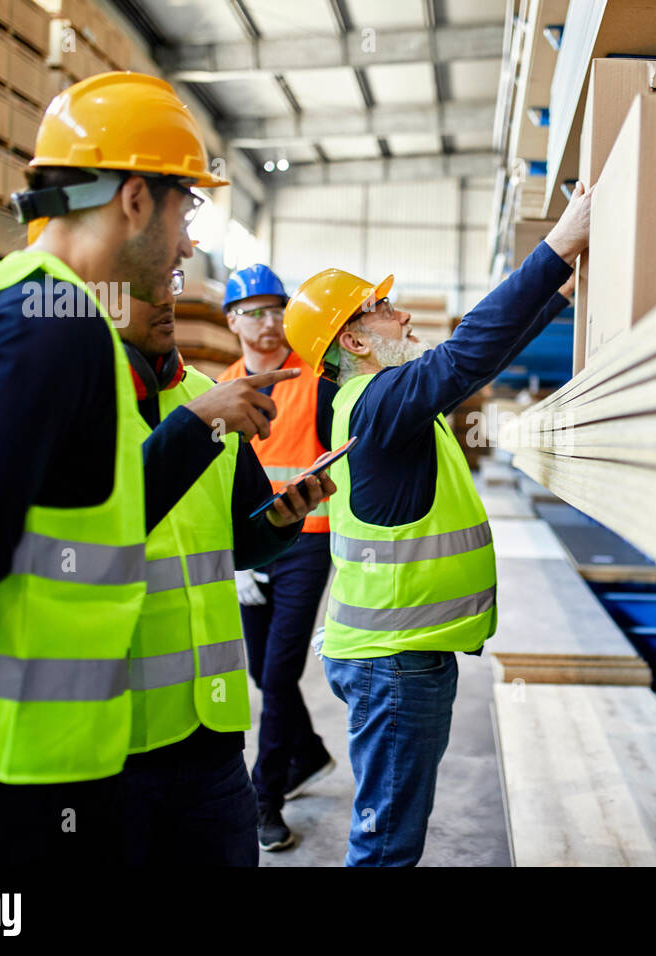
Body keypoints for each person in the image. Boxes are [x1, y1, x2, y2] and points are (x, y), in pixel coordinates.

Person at [0, 72, 292, 865]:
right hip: (6, 791)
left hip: (0, 777)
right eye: (184, 208)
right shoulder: (53, 328)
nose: (188, 241)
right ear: (135, 199)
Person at [280, 181, 593, 866]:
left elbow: (481, 356)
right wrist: (557, 246)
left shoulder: (379, 401)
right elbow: (466, 354)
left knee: (391, 836)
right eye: (383, 308)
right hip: (394, 663)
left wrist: (560, 294)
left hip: (396, 654)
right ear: (355, 340)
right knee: (386, 848)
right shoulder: (378, 404)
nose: (402, 314)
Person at [117, 292, 334, 865]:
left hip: (212, 734)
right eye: (151, 281)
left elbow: (242, 533)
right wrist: (197, 425)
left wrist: (282, 522)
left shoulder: (207, 395)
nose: (168, 295)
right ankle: (300, 759)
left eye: (175, 278)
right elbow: (97, 526)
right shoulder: (77, 396)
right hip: (115, 736)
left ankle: (275, 785)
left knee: (278, 675)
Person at [218, 265, 338, 851]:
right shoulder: (219, 387)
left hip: (306, 542)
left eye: (277, 310)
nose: (269, 322)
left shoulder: (316, 380)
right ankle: (309, 753)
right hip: (249, 548)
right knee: (259, 670)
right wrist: (235, 562)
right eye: (255, 311)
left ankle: (264, 799)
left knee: (279, 672)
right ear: (232, 321)